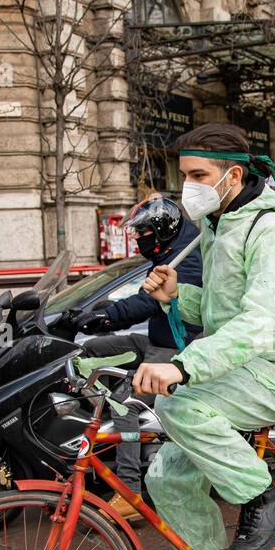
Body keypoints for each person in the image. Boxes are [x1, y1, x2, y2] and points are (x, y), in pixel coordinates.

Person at [132, 123, 275, 550]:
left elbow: (261, 324)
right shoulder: (218, 228)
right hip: (243, 368)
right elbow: (227, 315)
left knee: (178, 404)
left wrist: (182, 367)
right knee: (166, 478)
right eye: (185, 177)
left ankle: (264, 501)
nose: (188, 187)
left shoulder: (271, 233)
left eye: (199, 175)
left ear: (233, 175)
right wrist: (179, 296)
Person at [77, 195, 202, 522]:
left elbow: (148, 303)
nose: (137, 238)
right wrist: (85, 315)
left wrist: (108, 317)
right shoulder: (169, 250)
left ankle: (128, 491)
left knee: (124, 404)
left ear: (162, 230)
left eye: (143, 231)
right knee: (88, 351)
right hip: (157, 340)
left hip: (177, 349)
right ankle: (96, 436)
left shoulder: (185, 258)